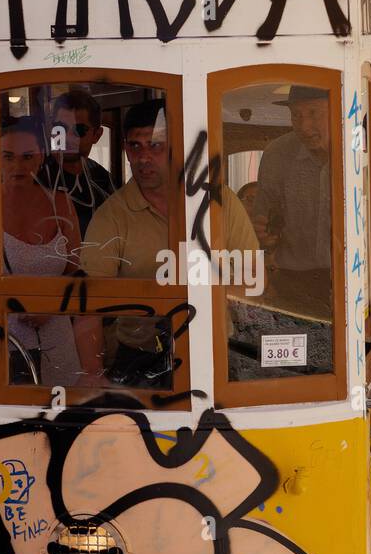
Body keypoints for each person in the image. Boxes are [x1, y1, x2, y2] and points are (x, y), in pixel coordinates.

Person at [83, 100, 257, 384]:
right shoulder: (112, 215)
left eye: (155, 146)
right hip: (140, 356)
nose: (143, 157)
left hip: (214, 348)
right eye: (135, 146)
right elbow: (87, 304)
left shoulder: (219, 201)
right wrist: (91, 375)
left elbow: (250, 275)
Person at [0, 115, 102, 386]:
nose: (18, 166)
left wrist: (52, 306)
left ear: (41, 156)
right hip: (3, 347)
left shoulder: (60, 204)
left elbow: (75, 272)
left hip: (59, 344)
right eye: (8, 157)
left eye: (27, 156)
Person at [251, 85, 332, 315]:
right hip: (293, 283)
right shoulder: (277, 154)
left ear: (338, 110)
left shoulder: (360, 151)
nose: (304, 126)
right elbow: (263, 219)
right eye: (296, 115)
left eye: (313, 113)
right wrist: (263, 233)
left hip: (355, 279)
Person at [38, 89, 114, 235]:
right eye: (61, 128)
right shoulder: (35, 175)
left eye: (79, 129)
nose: (68, 137)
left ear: (97, 135)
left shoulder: (103, 181)